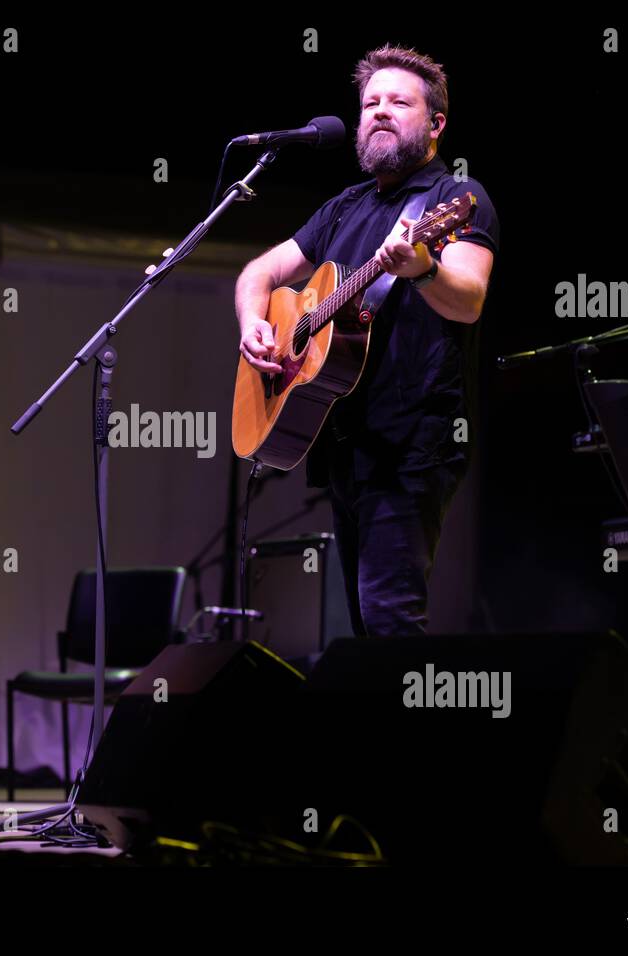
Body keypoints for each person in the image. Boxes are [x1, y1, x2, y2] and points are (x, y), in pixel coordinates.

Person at [235, 45, 499, 637]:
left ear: (436, 124)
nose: (379, 111)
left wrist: (424, 268)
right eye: (369, 103)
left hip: (411, 439)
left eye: (399, 102)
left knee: (390, 618)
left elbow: (470, 298)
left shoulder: (454, 199)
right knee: (362, 624)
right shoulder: (343, 208)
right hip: (346, 440)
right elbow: (259, 273)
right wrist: (256, 321)